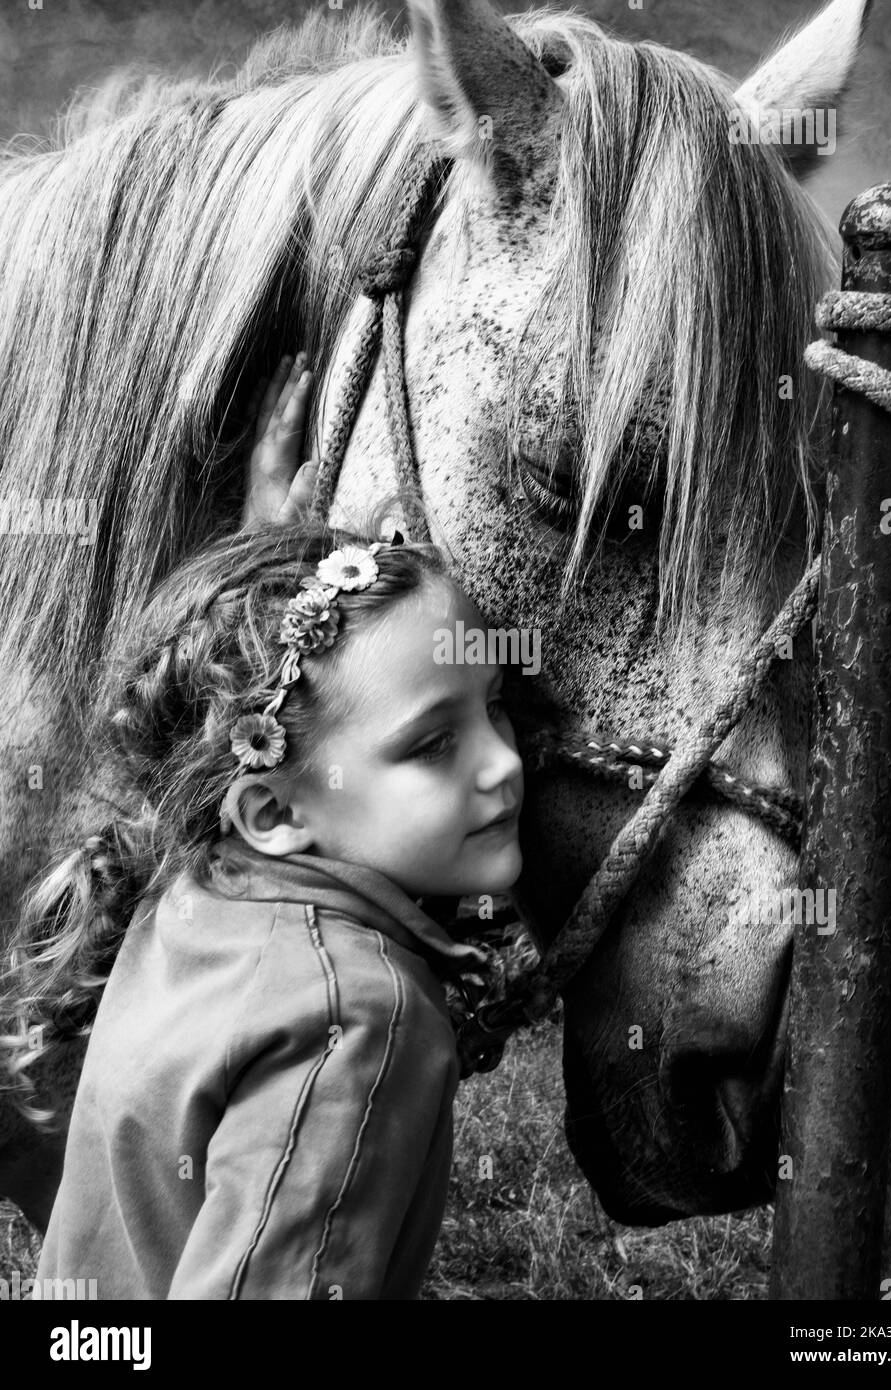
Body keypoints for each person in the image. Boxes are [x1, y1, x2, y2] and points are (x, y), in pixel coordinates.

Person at [1, 359, 525, 1300]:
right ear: (276, 811)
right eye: (434, 743)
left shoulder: (197, 889)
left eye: (495, 708)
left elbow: (255, 704)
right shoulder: (361, 1018)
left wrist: (270, 539)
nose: (503, 764)